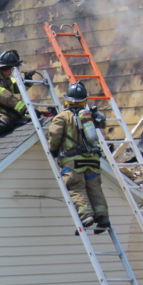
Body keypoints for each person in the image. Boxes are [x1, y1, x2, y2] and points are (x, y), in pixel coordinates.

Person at [47, 83, 110, 230]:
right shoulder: (90, 117)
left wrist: (53, 150)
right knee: (95, 188)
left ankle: (86, 215)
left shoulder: (62, 117)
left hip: (73, 161)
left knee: (77, 187)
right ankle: (103, 217)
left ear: (67, 100)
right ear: (85, 100)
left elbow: (54, 136)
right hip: (93, 161)